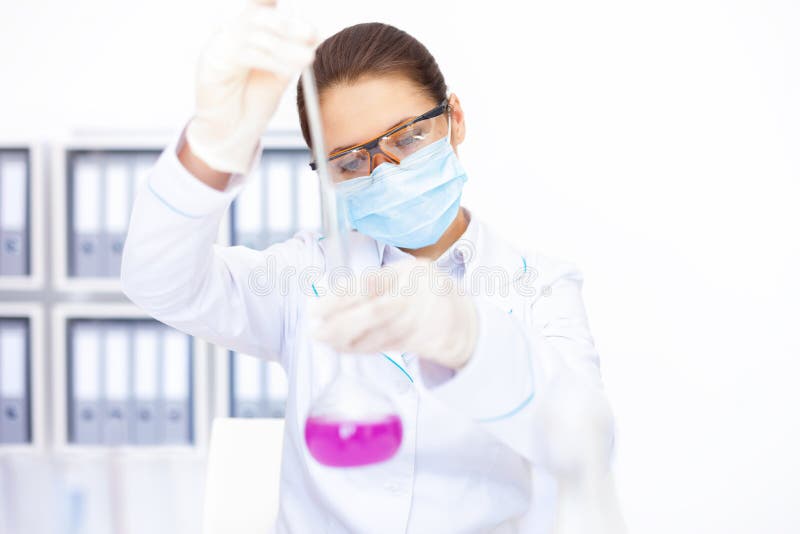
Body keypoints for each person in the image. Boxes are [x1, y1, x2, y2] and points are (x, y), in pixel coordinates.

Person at [121, 1, 619, 532]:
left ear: (454, 119)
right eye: (350, 161)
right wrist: (212, 149)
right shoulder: (305, 275)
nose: (386, 170)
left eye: (408, 137)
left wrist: (470, 340)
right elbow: (159, 282)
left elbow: (586, 442)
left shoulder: (537, 284)